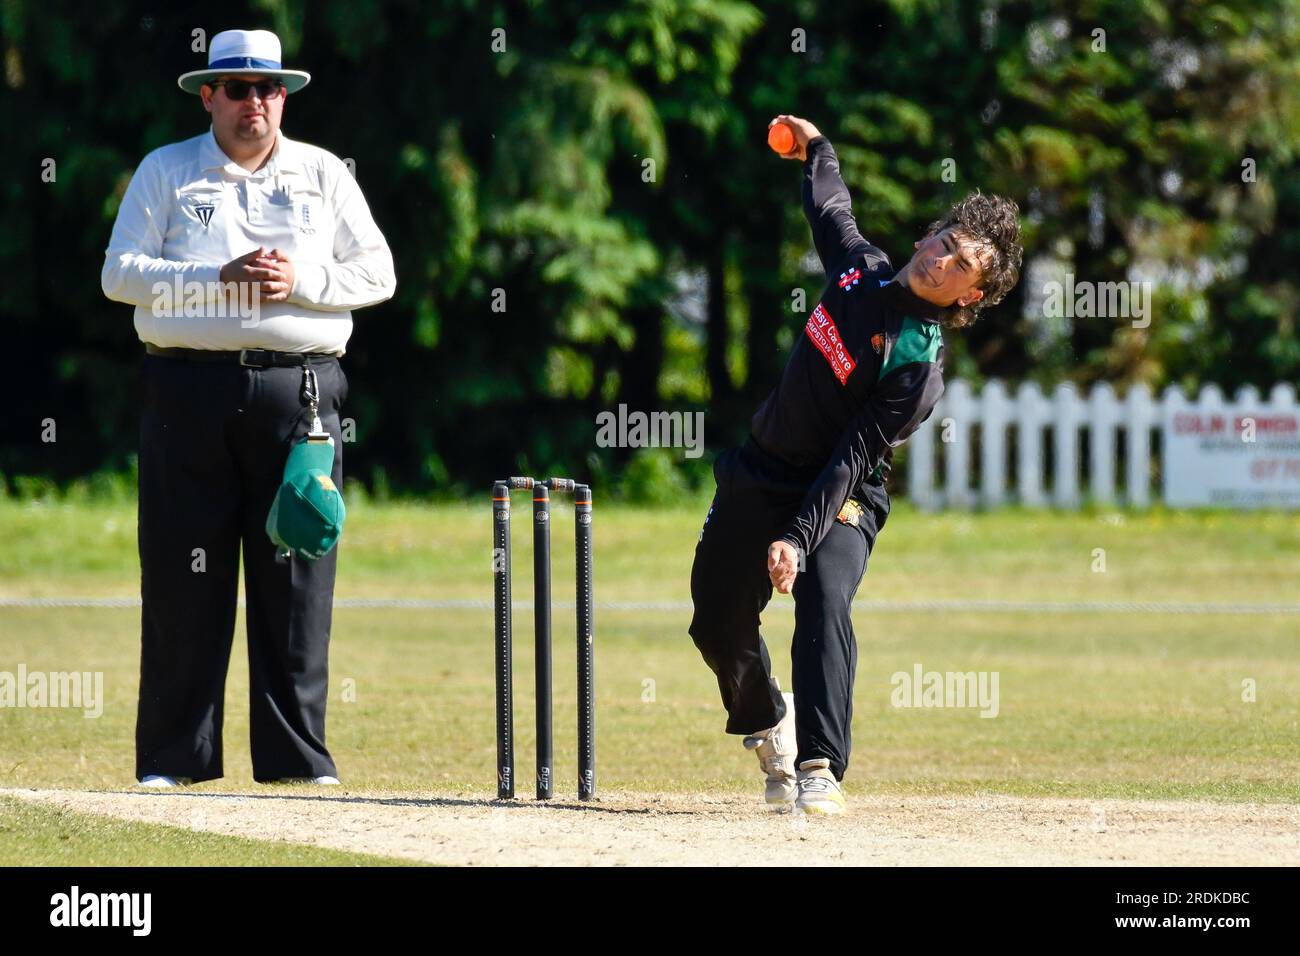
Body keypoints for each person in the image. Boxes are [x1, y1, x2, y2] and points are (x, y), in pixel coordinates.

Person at [689, 114, 1023, 814]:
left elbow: (849, 459)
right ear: (924, 237)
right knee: (716, 621)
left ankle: (819, 766)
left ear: (970, 297)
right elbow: (830, 202)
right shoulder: (854, 268)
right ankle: (764, 722)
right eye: (945, 243)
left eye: (962, 266)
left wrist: (795, 540)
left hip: (840, 494)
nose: (942, 260)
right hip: (761, 467)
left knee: (822, 593)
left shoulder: (917, 363)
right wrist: (816, 146)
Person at [101, 29, 396, 788]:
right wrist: (217, 278)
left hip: (300, 396)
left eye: (267, 88)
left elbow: (378, 273)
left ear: (284, 97)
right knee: (180, 573)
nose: (254, 103)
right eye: (237, 88)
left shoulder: (323, 173)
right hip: (185, 392)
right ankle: (173, 759)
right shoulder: (168, 171)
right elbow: (121, 276)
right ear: (209, 96)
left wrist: (297, 280)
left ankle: (299, 762)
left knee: (297, 570)